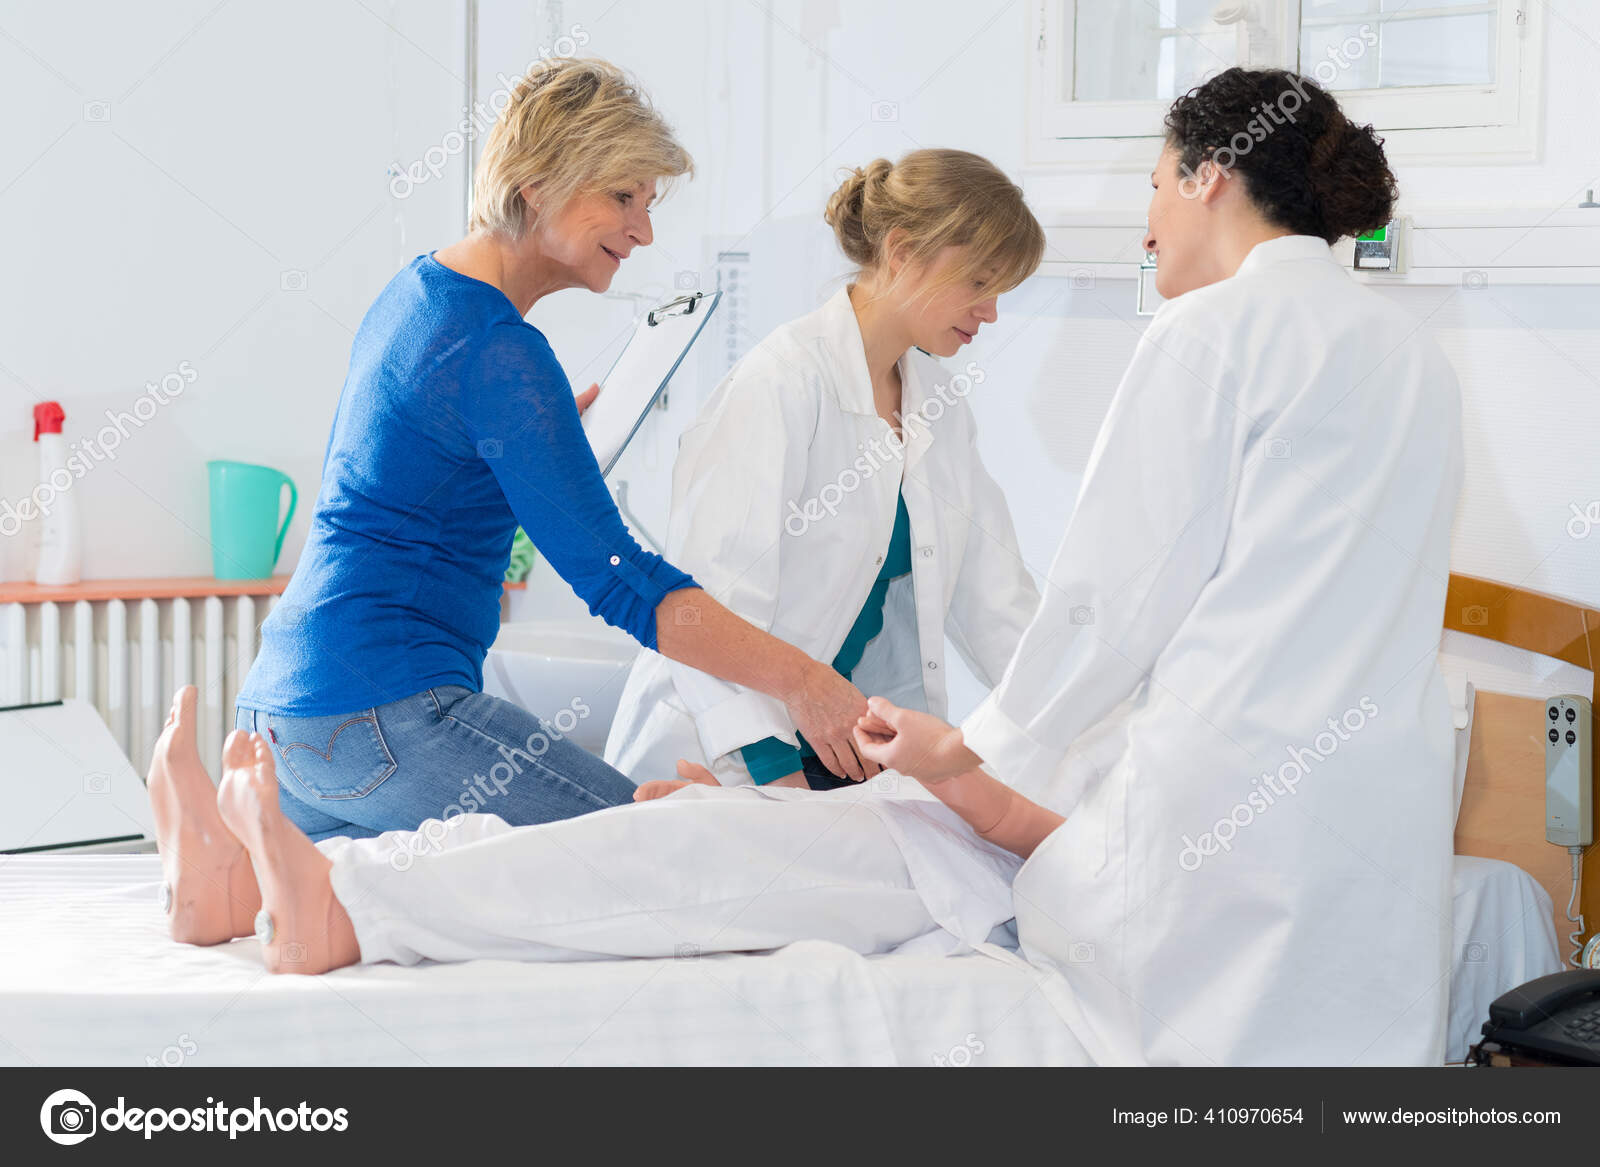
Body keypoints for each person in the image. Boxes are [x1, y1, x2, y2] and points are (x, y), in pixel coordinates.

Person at [156, 68, 1461, 1067]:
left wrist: (969, 764)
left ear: (1209, 178)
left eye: (1156, 184)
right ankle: (330, 890)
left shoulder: (1203, 339)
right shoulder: (1411, 355)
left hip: (1119, 838)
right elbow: (664, 581)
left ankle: (345, 897)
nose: (1147, 219)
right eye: (628, 198)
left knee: (700, 857)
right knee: (696, 839)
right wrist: (921, 751)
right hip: (1300, 852)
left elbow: (1073, 616)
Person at [232, 58, 871, 843]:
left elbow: (401, 489)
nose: (643, 231)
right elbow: (624, 584)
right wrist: (805, 682)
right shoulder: (501, 349)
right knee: (657, 856)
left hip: (287, 718)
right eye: (622, 197)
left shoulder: (419, 294)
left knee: (415, 927)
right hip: (383, 715)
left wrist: (519, 443)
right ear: (537, 183)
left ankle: (237, 880)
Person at [606, 150, 1042, 793]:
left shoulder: (940, 410)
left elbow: (999, 604)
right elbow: (713, 604)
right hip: (729, 750)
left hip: (846, 758)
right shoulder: (783, 383)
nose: (992, 312)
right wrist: (777, 784)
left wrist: (1073, 737)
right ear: (902, 252)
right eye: (979, 282)